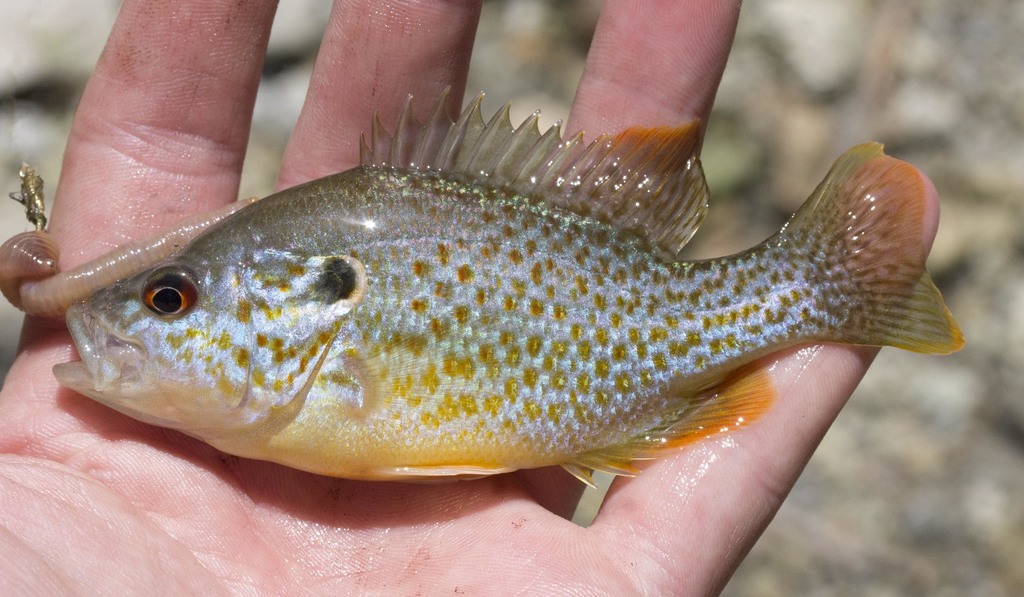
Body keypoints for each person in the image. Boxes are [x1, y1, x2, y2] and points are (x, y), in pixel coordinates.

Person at [0, 1, 943, 593]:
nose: (129, 326)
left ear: (314, 299)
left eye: (172, 300)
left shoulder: (310, 384)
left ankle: (817, 287)